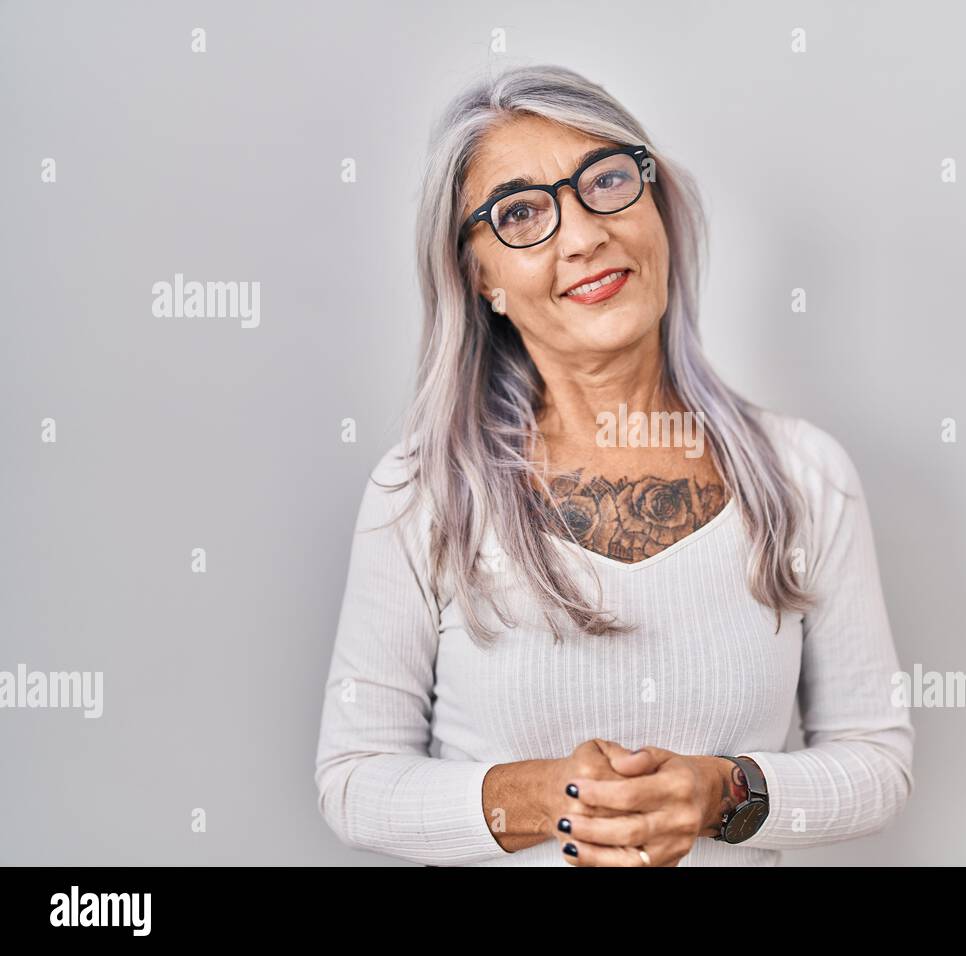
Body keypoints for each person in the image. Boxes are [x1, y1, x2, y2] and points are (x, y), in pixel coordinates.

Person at [314, 64, 914, 866]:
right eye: (521, 212)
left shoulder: (806, 474)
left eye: (605, 181)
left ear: (657, 204)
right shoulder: (421, 492)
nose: (583, 234)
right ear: (478, 276)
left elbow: (877, 758)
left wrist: (721, 793)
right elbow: (353, 778)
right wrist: (544, 801)